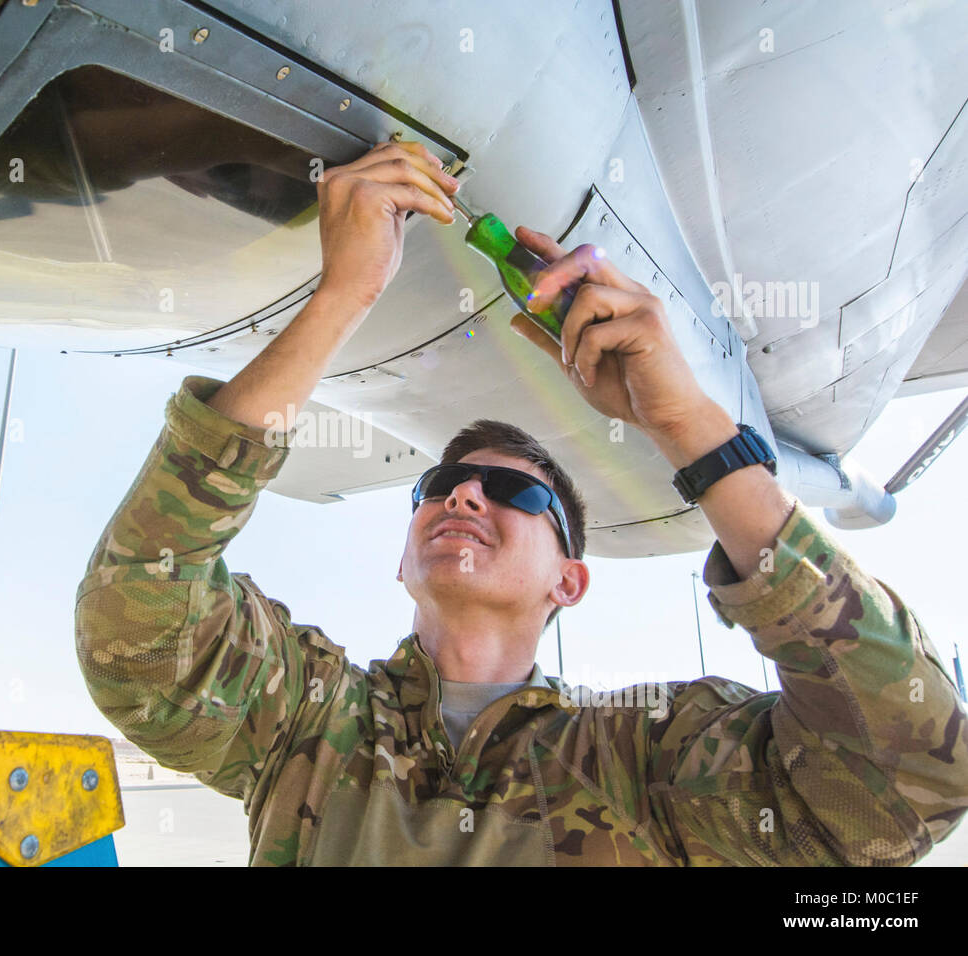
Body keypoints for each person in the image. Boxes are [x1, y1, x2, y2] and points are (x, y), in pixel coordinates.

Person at [75, 141, 968, 865]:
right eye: (437, 487)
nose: (462, 490)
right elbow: (135, 623)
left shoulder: (645, 760)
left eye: (512, 490)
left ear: (569, 583)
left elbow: (914, 775)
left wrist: (687, 421)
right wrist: (343, 297)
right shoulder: (305, 716)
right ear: (401, 559)